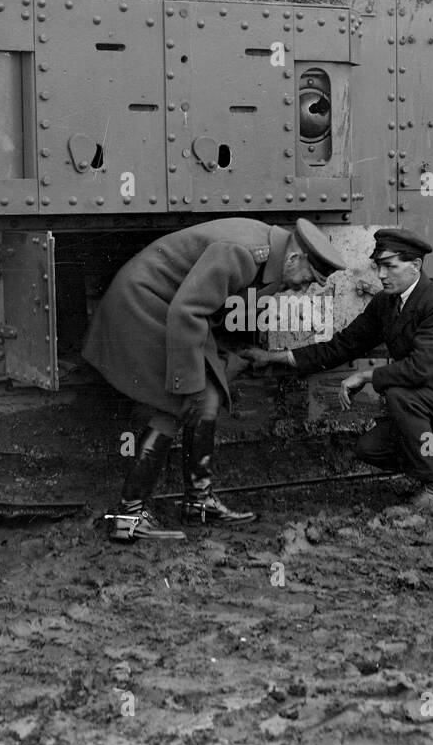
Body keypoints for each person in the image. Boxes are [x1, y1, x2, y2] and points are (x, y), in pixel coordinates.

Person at [83, 217, 346, 542]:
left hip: (170, 311)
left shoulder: (268, 255)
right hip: (143, 307)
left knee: (205, 398)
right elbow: (188, 310)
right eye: (308, 279)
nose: (304, 288)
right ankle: (129, 516)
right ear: (294, 259)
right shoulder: (243, 253)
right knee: (181, 403)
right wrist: (188, 383)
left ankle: (199, 503)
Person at [243, 228, 433, 511]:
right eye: (379, 266)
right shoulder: (386, 303)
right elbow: (344, 345)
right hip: (431, 403)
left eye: (390, 266)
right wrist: (278, 357)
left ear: (415, 266)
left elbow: (420, 369)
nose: (381, 275)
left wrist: (366, 375)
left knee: (400, 395)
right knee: (371, 448)